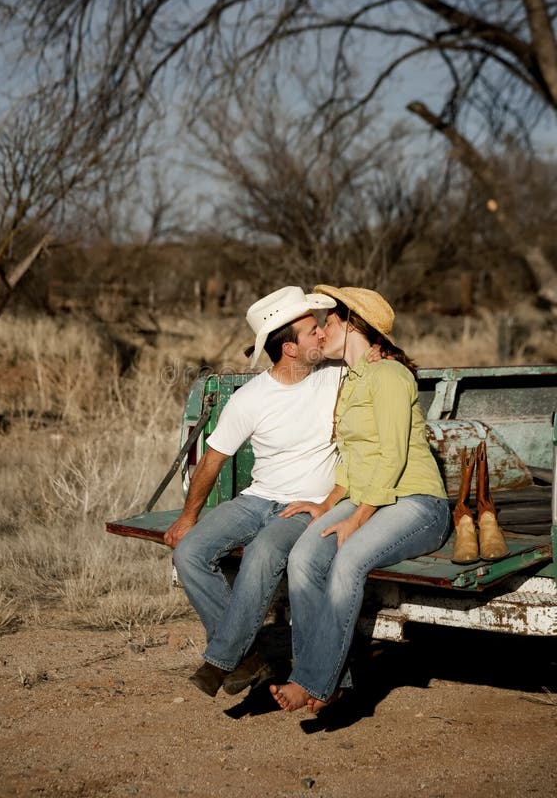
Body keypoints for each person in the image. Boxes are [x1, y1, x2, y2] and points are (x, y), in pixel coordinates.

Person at [270, 286, 451, 713]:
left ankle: (312, 679)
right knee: (303, 558)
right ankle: (333, 679)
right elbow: (352, 460)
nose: (322, 330)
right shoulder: (354, 379)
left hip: (418, 503)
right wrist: (329, 504)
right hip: (372, 498)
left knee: (348, 559)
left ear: (353, 323)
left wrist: (357, 520)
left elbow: (392, 456)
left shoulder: (389, 376)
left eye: (329, 321)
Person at [164, 285, 340, 698]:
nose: (320, 333)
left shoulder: (336, 377)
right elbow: (212, 459)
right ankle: (248, 659)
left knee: (263, 551)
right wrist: (188, 517)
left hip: (304, 507)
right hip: (257, 499)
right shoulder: (250, 398)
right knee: (189, 552)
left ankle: (221, 659)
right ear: (290, 349)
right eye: (310, 329)